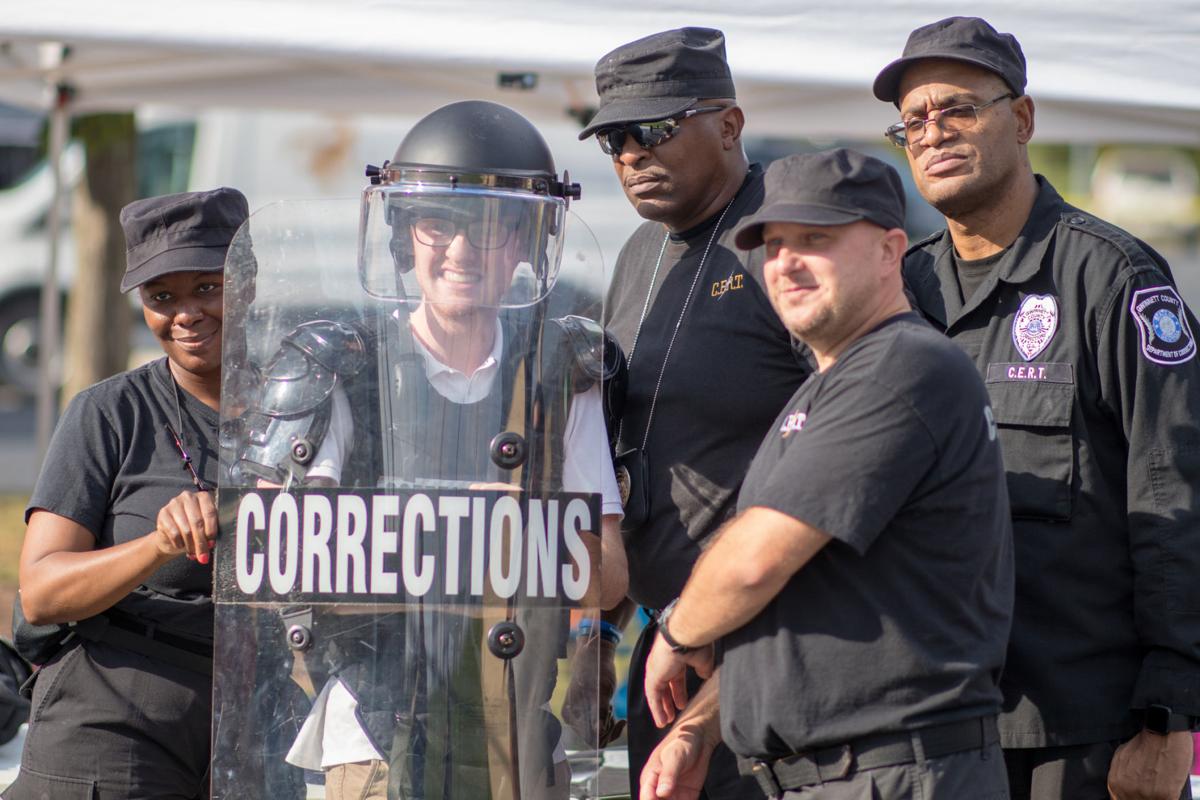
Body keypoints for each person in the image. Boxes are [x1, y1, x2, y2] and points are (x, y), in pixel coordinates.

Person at [873, 16, 1200, 800]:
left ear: (1021, 119)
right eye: (913, 121)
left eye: (959, 109)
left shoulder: (1112, 277)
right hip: (932, 723)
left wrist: (1171, 712)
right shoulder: (900, 291)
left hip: (1081, 731)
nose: (933, 133)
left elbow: (1176, 495)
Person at [262, 100, 627, 800]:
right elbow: (284, 556)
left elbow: (607, 578)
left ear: (525, 246)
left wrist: (507, 530)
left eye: (489, 228)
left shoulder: (560, 371)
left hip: (516, 728)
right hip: (370, 733)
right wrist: (464, 529)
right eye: (438, 224)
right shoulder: (345, 366)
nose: (461, 251)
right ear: (405, 237)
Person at [640, 148, 1014, 800]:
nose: (786, 262)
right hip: (845, 774)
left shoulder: (900, 367)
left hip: (894, 772)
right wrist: (699, 727)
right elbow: (806, 604)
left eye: (815, 239)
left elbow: (756, 563)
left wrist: (676, 630)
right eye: (773, 244)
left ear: (890, 251)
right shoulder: (832, 385)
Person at [573, 27, 812, 798]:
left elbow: (846, 456)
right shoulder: (640, 253)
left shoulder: (789, 242)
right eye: (613, 139)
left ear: (729, 125)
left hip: (782, 647)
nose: (630, 155)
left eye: (653, 129)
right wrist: (601, 631)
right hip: (665, 651)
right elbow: (619, 461)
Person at [3, 188, 248, 800]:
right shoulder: (109, 412)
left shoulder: (310, 407)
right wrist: (156, 545)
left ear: (250, 281)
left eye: (207, 287)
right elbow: (41, 593)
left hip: (256, 719)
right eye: (161, 297)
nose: (185, 313)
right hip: (115, 717)